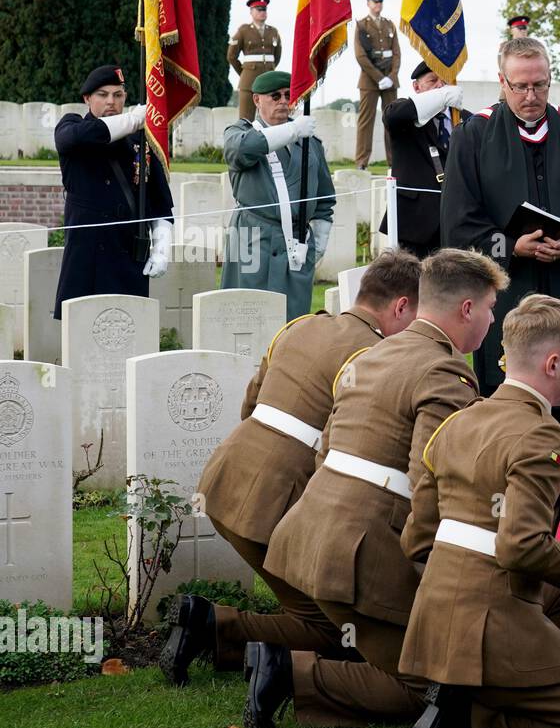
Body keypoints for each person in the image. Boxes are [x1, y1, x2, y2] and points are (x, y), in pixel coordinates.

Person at [247, 250, 508, 728]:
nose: (493, 320)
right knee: (431, 683)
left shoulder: (370, 353)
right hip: (359, 550)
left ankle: (276, 657)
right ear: (467, 309)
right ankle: (291, 674)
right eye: (492, 308)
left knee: (386, 647)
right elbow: (433, 480)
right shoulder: (445, 372)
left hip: (308, 530)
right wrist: (431, 565)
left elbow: (327, 444)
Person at [400, 294, 560, 728]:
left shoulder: (457, 421)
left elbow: (418, 538)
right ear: (553, 363)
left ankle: (481, 703)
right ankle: (479, 721)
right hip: (495, 620)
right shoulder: (541, 434)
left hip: (435, 614)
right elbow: (520, 546)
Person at [162, 252, 422, 686]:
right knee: (333, 629)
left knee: (315, 611)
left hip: (226, 476)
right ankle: (209, 625)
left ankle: (212, 630)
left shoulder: (301, 326)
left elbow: (251, 402)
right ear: (401, 306)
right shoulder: (377, 357)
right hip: (275, 499)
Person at [438, 36, 560, 432]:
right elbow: (458, 225)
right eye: (520, 86)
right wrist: (510, 246)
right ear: (502, 83)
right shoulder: (472, 137)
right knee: (507, 419)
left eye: (540, 84)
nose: (531, 95)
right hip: (504, 297)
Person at [53, 65, 173, 319]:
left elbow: (160, 202)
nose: (111, 101)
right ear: (87, 99)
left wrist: (162, 247)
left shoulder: (140, 142)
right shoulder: (72, 126)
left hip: (128, 254)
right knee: (84, 334)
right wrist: (133, 120)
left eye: (118, 95)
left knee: (131, 333)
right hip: (88, 257)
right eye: (103, 95)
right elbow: (79, 138)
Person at [222, 70, 332, 320]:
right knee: (246, 315)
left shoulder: (310, 142)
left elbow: (325, 195)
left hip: (296, 240)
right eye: (275, 96)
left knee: (293, 316)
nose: (284, 101)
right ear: (257, 100)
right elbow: (242, 150)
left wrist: (321, 238)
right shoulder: (239, 132)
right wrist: (292, 130)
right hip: (253, 235)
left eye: (288, 95)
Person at [380, 61, 465, 256]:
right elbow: (392, 116)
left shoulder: (463, 118)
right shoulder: (405, 115)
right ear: (417, 87)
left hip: (455, 223)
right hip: (415, 226)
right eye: (432, 80)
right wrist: (440, 97)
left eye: (444, 81)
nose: (439, 85)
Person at [354, 0, 401, 171]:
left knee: (393, 120)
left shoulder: (390, 25)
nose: (378, 4)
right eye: (374, 1)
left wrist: (392, 76)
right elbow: (360, 55)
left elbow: (397, 53)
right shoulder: (362, 25)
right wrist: (378, 77)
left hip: (389, 79)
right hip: (369, 79)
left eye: (380, 1)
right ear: (368, 3)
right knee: (366, 121)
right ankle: (362, 162)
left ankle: (395, 161)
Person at [227, 0, 282, 122]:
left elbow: (277, 56)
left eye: (264, 9)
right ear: (251, 12)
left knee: (270, 117)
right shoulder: (244, 31)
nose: (262, 12)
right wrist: (244, 73)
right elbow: (231, 56)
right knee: (246, 119)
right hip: (249, 81)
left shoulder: (273, 32)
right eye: (259, 9)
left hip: (269, 81)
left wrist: (270, 69)